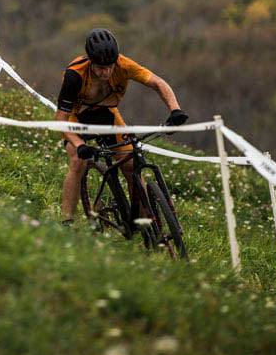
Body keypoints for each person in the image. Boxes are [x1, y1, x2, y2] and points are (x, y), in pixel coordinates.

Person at [55, 28, 188, 223]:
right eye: (100, 67)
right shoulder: (75, 75)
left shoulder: (124, 65)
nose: (106, 72)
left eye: (110, 66)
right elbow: (60, 119)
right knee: (77, 161)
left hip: (108, 114)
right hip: (78, 117)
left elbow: (158, 83)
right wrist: (79, 145)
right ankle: (66, 220)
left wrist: (175, 109)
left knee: (130, 164)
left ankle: (146, 225)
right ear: (91, 61)